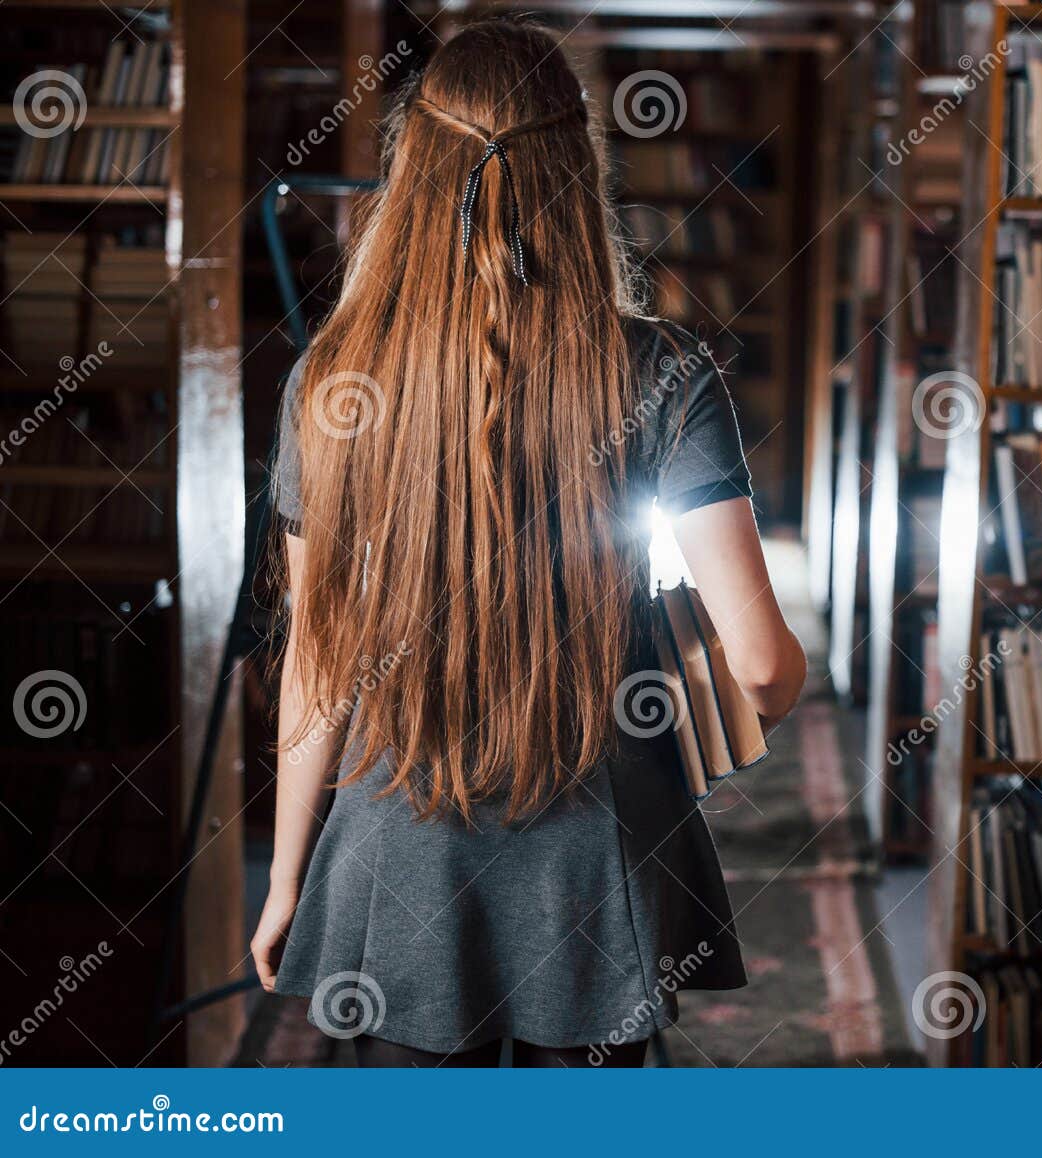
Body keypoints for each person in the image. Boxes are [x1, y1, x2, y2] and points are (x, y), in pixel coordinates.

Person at [249, 17, 807, 1069]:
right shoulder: (663, 371)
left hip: (391, 859)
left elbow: (318, 664)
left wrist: (288, 878)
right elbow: (765, 667)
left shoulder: (331, 382)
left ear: (413, 165)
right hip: (597, 868)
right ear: (576, 163)